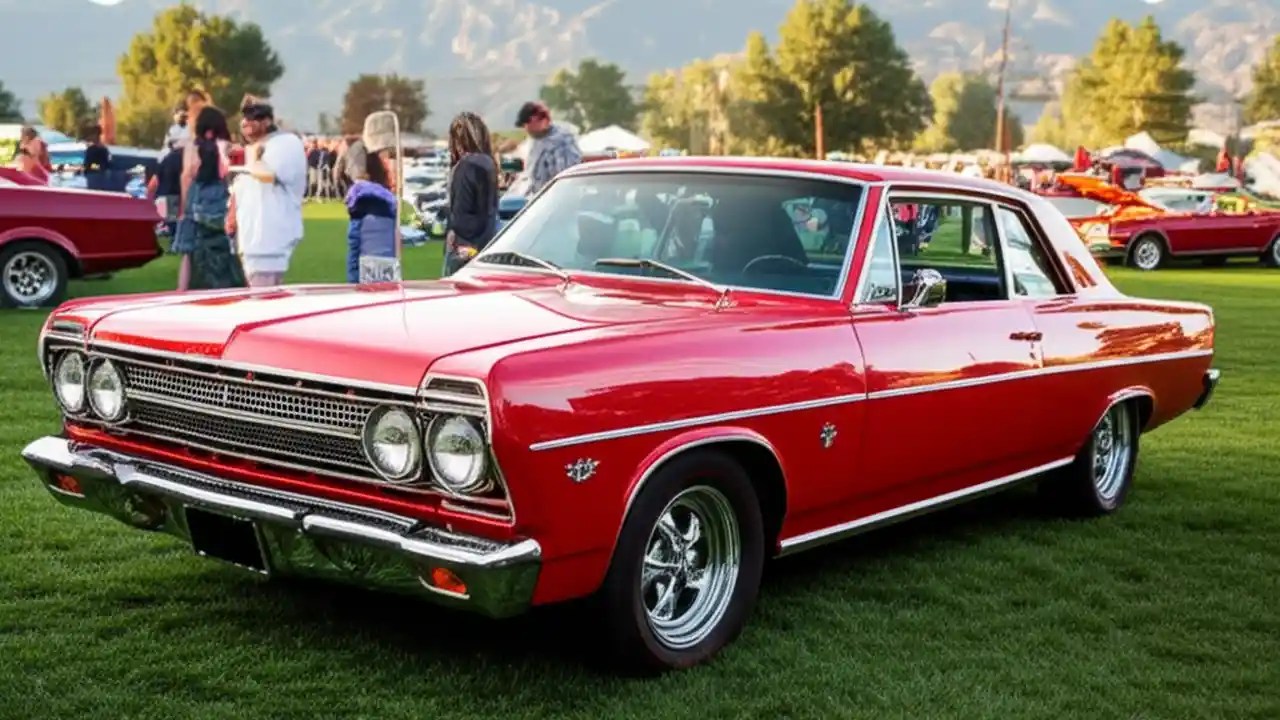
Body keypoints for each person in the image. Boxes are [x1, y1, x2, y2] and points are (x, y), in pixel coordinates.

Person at [229, 100, 306, 287]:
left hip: (268, 238)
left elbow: (267, 175)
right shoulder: (255, 147)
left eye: (253, 118)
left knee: (263, 295)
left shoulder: (285, 143)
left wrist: (255, 157)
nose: (246, 122)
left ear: (267, 121)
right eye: (245, 118)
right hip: (254, 236)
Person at [174, 106, 241, 290]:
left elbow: (187, 175)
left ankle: (182, 291)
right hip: (219, 198)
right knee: (223, 246)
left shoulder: (192, 146)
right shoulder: (227, 146)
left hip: (196, 196)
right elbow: (229, 176)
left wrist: (183, 207)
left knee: (188, 252)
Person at [443, 112, 499, 276]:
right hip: (486, 245)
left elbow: (461, 213)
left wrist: (451, 229)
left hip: (463, 248)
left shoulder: (466, 166)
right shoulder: (489, 164)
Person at [344, 147, 399, 283]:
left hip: (364, 233)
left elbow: (354, 244)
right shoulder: (387, 197)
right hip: (386, 259)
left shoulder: (358, 193)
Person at [515, 100, 580, 194]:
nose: (526, 128)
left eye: (528, 122)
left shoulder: (562, 142)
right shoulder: (535, 142)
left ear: (543, 120)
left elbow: (565, 179)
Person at [81, 124, 110, 191]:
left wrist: (91, 166)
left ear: (96, 135)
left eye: (91, 134)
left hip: (96, 177)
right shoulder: (91, 148)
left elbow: (103, 165)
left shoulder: (101, 149)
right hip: (92, 176)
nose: (90, 136)